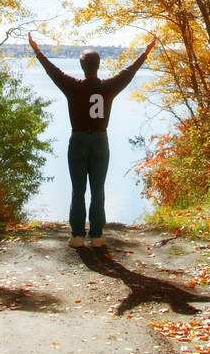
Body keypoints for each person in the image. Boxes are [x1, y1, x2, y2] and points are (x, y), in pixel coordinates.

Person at [27, 32, 158, 249]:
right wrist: (146, 52)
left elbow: (52, 71)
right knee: (98, 189)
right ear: (98, 65)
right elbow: (129, 72)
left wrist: (37, 50)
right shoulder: (108, 86)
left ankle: (77, 236)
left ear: (82, 66)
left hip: (78, 140)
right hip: (100, 141)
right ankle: (97, 236)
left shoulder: (72, 85)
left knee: (78, 189)